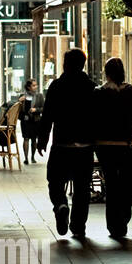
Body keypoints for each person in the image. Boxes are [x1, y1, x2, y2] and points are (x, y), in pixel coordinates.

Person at [37, 47, 96, 240]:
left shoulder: (56, 86)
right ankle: (78, 225)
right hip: (85, 147)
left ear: (65, 64)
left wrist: (42, 139)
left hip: (62, 144)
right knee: (82, 188)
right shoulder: (91, 87)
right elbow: (97, 117)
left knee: (55, 180)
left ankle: (61, 205)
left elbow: (47, 116)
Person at [95, 57, 132, 241]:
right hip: (127, 145)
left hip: (105, 146)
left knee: (111, 184)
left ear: (106, 73)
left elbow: (93, 120)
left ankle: (113, 224)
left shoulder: (99, 93)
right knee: (125, 183)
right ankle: (123, 219)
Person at [17, 79, 45, 164]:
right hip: (25, 120)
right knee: (26, 138)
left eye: (36, 85)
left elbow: (44, 109)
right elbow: (17, 109)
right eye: (33, 85)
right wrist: (19, 102)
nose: (36, 87)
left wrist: (35, 109)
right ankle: (26, 158)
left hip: (35, 120)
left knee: (33, 139)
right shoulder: (23, 96)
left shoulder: (39, 96)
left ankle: (33, 157)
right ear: (29, 87)